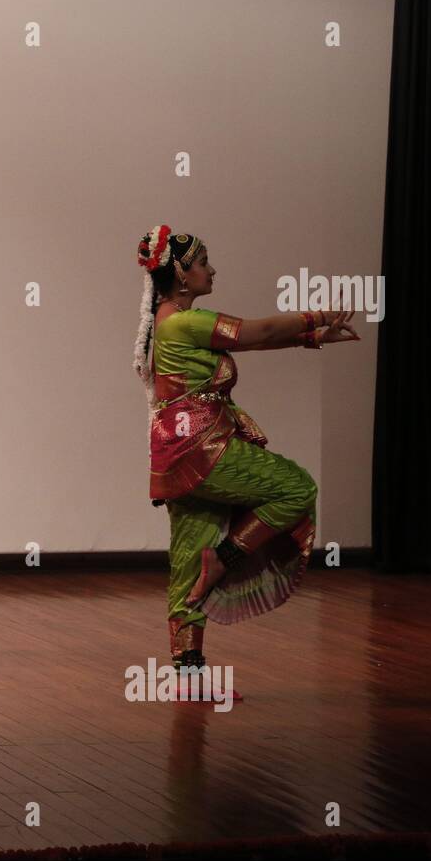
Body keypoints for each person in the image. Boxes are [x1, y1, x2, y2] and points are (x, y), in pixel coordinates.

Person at [131, 225, 359, 691]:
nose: (211, 270)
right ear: (181, 273)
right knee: (297, 488)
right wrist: (316, 316)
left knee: (187, 560)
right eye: (203, 263)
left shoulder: (168, 322)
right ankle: (227, 557)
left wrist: (312, 338)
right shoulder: (181, 321)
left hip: (176, 455)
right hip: (204, 449)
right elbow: (257, 332)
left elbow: (254, 340)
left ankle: (189, 675)